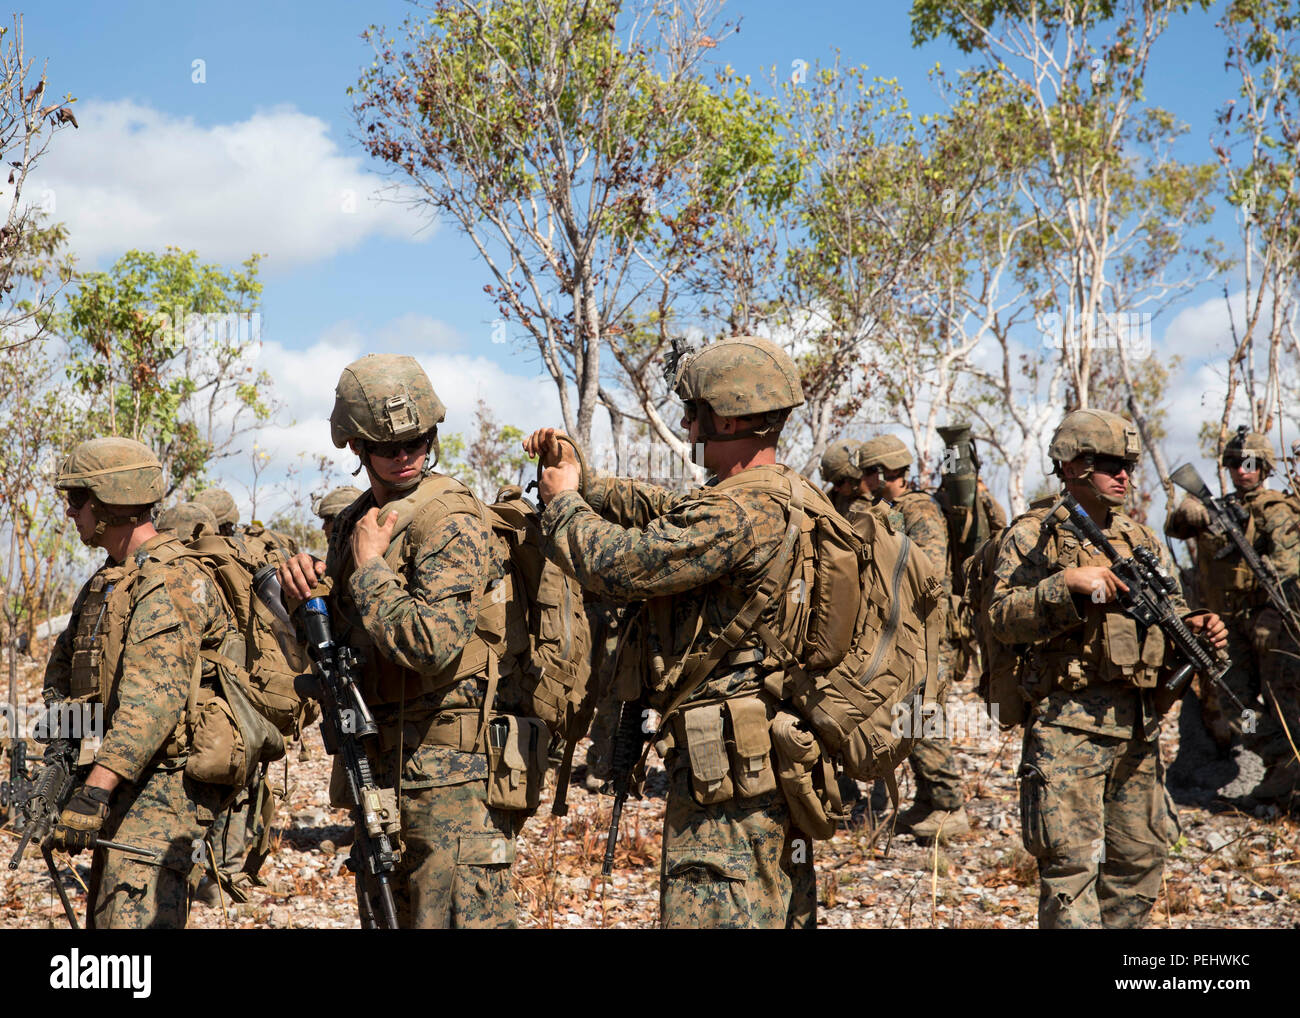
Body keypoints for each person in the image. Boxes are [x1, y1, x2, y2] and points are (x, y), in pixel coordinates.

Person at [525, 336, 821, 929]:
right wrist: (590, 482)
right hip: (771, 754)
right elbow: (671, 513)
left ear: (732, 415)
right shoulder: (787, 494)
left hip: (728, 775)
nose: (687, 427)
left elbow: (619, 564)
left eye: (695, 412)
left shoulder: (735, 512)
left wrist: (561, 505)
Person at [277, 354, 529, 928]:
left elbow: (433, 644)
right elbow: (337, 651)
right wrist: (304, 600)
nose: (405, 454)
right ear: (356, 448)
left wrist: (368, 571)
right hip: (380, 763)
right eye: (387, 446)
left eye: (417, 439)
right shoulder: (353, 522)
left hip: (451, 773)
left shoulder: (450, 517)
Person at [988, 409, 1227, 928]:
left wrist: (1200, 623)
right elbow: (1001, 617)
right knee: (1072, 869)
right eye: (1111, 465)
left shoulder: (1140, 538)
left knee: (1140, 859)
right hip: (1068, 726)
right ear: (1072, 466)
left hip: (1139, 725)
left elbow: (1172, 607)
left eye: (1129, 465)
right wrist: (1067, 586)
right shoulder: (1034, 534)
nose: (1124, 476)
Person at [42, 437, 230, 928]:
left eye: (78, 500)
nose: (70, 512)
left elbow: (154, 704)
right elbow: (65, 676)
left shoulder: (169, 580)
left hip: (165, 787)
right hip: (124, 777)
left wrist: (94, 792)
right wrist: (57, 769)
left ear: (110, 503)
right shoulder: (111, 578)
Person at [1165, 429, 1300, 805]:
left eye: (1252, 464)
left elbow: (1288, 570)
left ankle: (1292, 775)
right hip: (1225, 626)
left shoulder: (1277, 509)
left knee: (1283, 701)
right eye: (1237, 463)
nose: (1244, 470)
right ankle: (1280, 760)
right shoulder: (1213, 508)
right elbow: (1174, 530)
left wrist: (1272, 617)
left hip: (1269, 625)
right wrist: (1186, 511)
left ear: (1266, 468)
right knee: (1235, 703)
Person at [857, 434, 968, 840]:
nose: (862, 481)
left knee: (921, 716)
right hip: (903, 632)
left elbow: (930, 573)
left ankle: (948, 805)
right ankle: (928, 799)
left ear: (885, 473)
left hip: (927, 634)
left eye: (868, 472)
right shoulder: (890, 509)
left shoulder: (919, 509)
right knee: (905, 717)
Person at [819, 438, 867, 517]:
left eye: (838, 482)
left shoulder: (882, 498)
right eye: (833, 483)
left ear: (854, 478)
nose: (836, 488)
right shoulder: (834, 497)